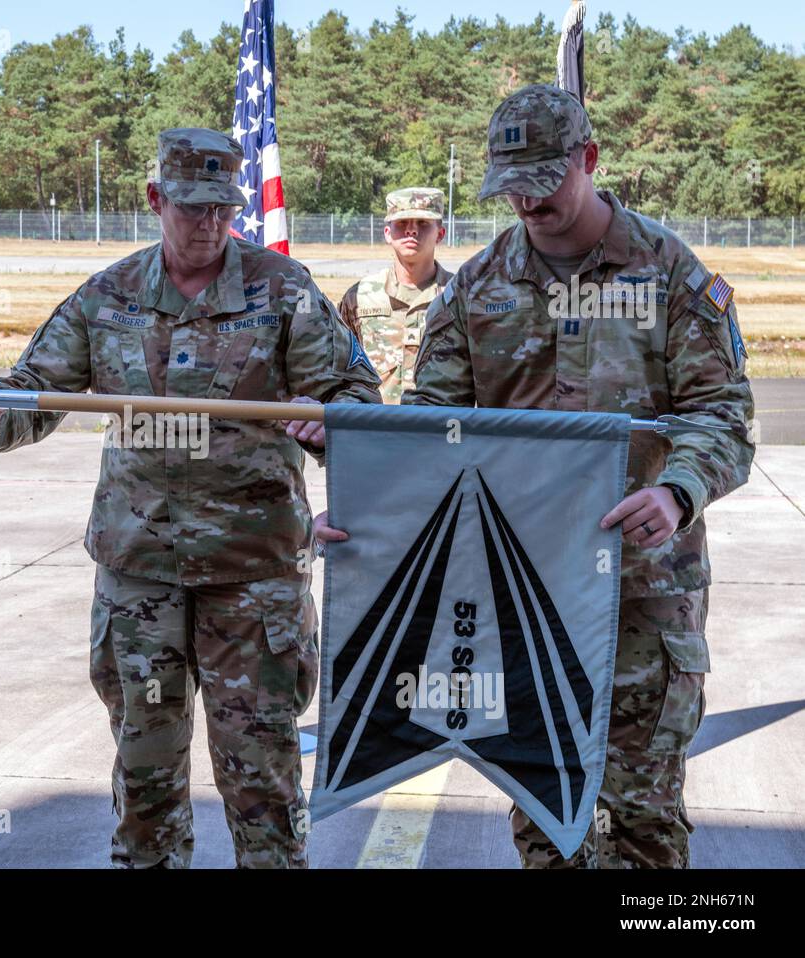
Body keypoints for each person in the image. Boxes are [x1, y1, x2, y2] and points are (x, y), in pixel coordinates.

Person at [318, 84, 755, 868]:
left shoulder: (667, 273)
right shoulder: (477, 289)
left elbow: (720, 412)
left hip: (642, 594)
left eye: (546, 178)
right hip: (520, 598)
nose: (526, 200)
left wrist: (678, 489)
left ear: (589, 159)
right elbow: (431, 434)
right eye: (510, 184)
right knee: (543, 818)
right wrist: (361, 508)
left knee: (645, 818)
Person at [0, 128, 382, 868]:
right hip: (141, 574)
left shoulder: (284, 293)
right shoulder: (109, 296)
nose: (209, 223)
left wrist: (327, 423)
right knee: (144, 774)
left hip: (252, 578)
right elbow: (35, 393)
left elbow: (354, 398)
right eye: (192, 207)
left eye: (223, 207)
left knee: (263, 781)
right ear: (157, 200)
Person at [337, 187, 453, 403]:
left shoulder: (459, 295)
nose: (411, 231)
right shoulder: (360, 296)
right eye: (402, 223)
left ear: (440, 234)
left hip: (440, 429)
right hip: (375, 428)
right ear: (387, 233)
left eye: (423, 223)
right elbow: (339, 368)